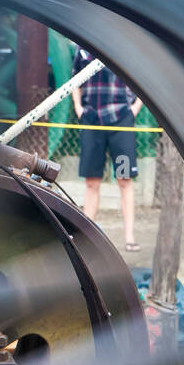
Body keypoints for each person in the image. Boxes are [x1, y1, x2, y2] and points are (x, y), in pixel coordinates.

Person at [72, 47, 143, 252]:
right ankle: (84, 237)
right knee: (92, 182)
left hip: (121, 120)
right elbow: (75, 79)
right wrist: (78, 107)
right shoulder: (83, 50)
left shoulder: (125, 47)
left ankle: (129, 237)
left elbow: (142, 82)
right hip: (92, 120)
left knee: (124, 179)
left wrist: (134, 109)